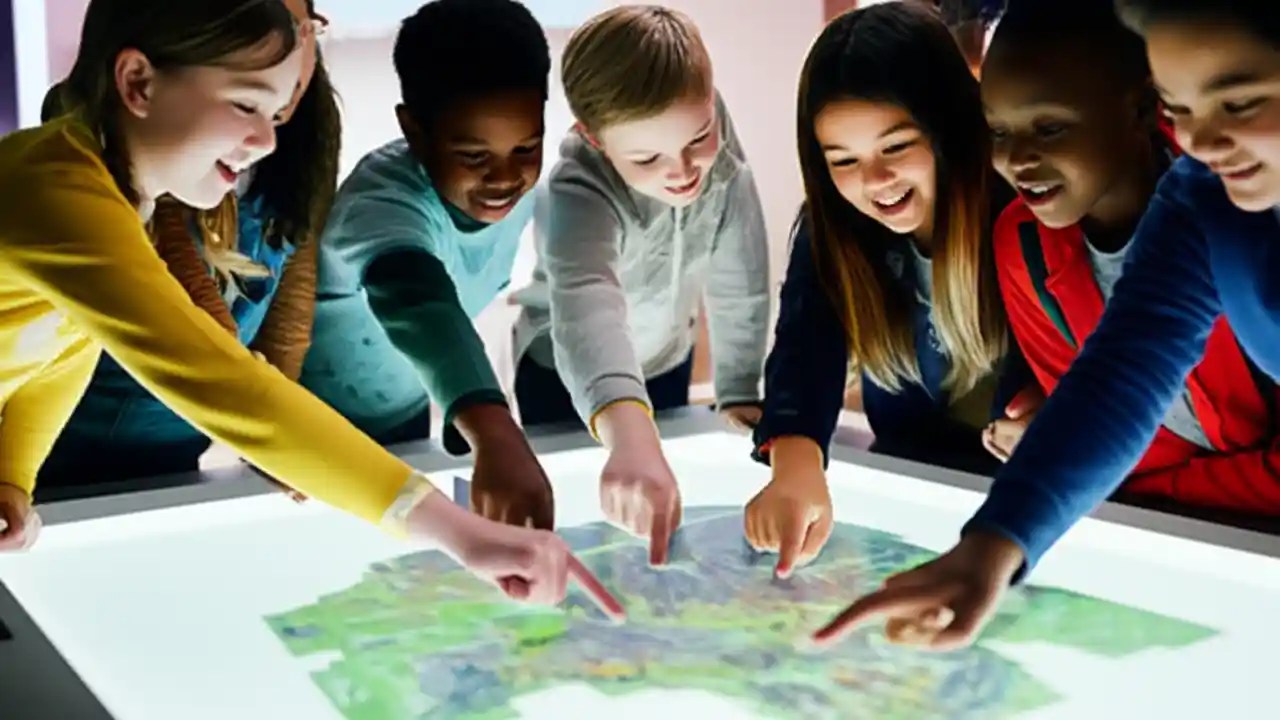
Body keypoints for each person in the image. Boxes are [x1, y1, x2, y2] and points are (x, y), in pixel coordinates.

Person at [0, 0, 623, 620]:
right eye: (246, 105)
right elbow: (228, 387)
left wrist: (12, 477)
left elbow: (59, 352)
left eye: (274, 112)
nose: (268, 138)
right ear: (137, 82)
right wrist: (457, 531)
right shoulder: (60, 194)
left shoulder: (100, 187)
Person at [811, 0, 1280, 651]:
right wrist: (994, 545)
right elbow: (1124, 374)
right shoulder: (1202, 200)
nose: (1197, 142)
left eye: (1238, 103)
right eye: (1182, 108)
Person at [745, 1, 1023, 576]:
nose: (874, 180)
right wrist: (795, 464)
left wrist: (1045, 411)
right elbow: (804, 346)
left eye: (895, 147)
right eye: (842, 159)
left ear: (949, 125)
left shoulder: (1019, 207)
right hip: (914, 475)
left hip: (1022, 492)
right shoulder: (833, 228)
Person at [981, 0, 1280, 512]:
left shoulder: (1235, 197)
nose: (1015, 159)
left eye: (1050, 128)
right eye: (998, 132)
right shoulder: (1024, 247)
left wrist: (1110, 483)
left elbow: (1112, 447)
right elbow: (1116, 400)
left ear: (1142, 109)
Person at [35, 0, 336, 491]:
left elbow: (295, 278)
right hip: (77, 444)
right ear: (138, 82)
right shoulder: (88, 169)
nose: (266, 138)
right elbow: (188, 313)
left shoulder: (294, 142)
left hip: (174, 441)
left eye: (301, 29)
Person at [509, 5, 771, 563]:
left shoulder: (718, 149)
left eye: (697, 138)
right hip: (562, 373)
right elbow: (588, 309)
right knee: (585, 518)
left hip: (667, 357)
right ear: (596, 140)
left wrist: (740, 385)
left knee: (656, 502)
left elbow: (739, 271)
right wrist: (629, 438)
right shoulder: (576, 191)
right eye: (647, 157)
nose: (682, 171)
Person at [299, 0, 555, 530]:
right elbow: (418, 301)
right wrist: (497, 432)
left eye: (526, 147)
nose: (505, 177)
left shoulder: (519, 195)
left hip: (406, 404)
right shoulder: (382, 203)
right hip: (316, 427)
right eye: (474, 156)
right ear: (413, 129)